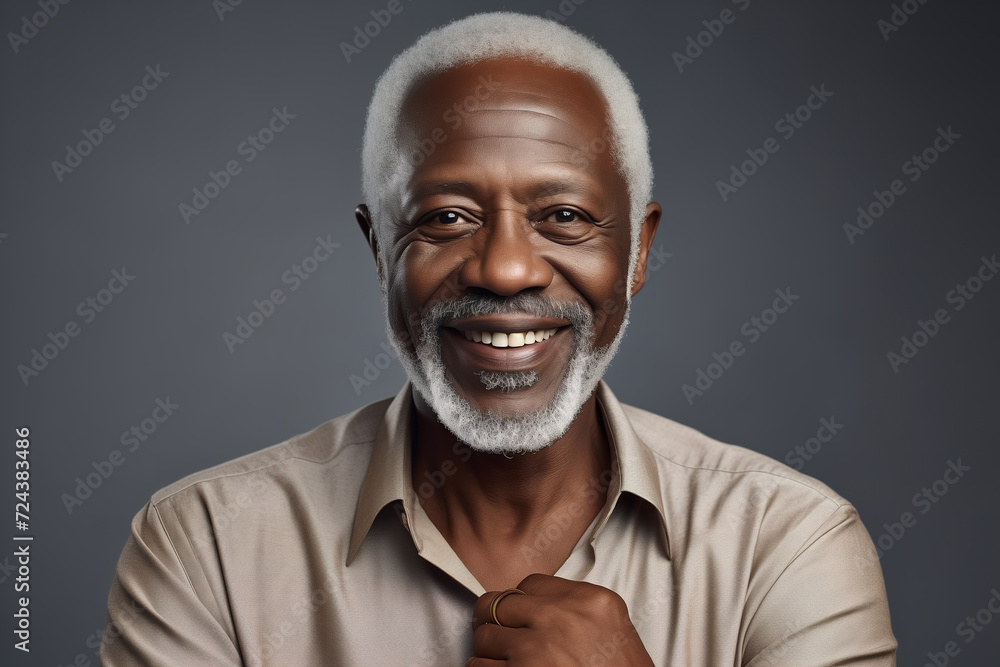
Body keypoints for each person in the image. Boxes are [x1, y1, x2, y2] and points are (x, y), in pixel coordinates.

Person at [101, 11, 897, 666]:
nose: (508, 270)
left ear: (640, 253)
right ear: (379, 249)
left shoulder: (788, 546)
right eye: (446, 217)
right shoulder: (204, 547)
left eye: (565, 217)